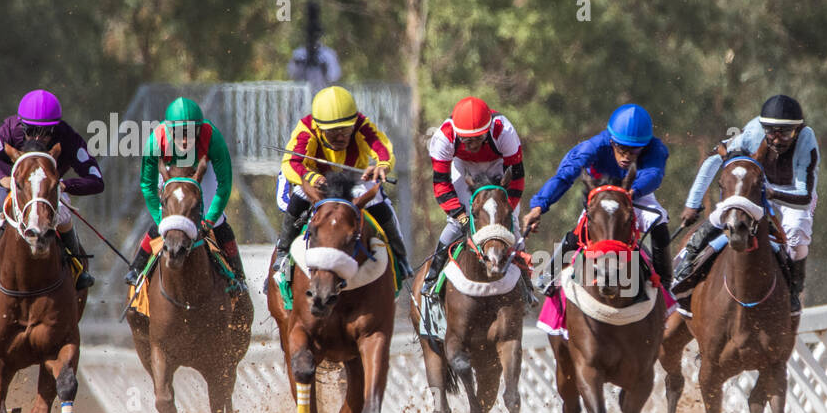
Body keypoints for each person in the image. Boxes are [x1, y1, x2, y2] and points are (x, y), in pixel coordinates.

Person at [672, 94, 819, 315]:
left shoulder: (807, 141)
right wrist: (693, 203)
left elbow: (805, 195)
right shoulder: (751, 132)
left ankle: (793, 289)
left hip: (793, 196)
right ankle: (687, 261)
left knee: (797, 234)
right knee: (726, 211)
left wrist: (771, 193)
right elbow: (715, 157)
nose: (777, 140)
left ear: (797, 130)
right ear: (763, 127)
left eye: (786, 133)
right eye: (771, 132)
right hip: (760, 184)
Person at [0, 89, 101, 289]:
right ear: (21, 124)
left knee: (63, 212)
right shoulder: (9, 130)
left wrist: (64, 185)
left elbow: (96, 179)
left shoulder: (68, 137)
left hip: (46, 191)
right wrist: (1, 179)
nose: (37, 138)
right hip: (10, 186)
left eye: (46, 133)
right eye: (30, 130)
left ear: (55, 128)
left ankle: (77, 266)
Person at [521, 103, 672, 292]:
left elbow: (654, 174)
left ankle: (666, 285)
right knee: (580, 228)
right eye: (622, 148)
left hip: (636, 194)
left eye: (634, 151)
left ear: (644, 146)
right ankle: (549, 276)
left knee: (658, 219)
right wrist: (539, 207)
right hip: (602, 195)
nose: (626, 156)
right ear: (612, 141)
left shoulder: (655, 148)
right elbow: (565, 175)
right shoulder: (595, 145)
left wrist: (631, 192)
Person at [272, 85, 410, 276]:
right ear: (319, 128)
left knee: (378, 200)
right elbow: (291, 162)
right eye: (333, 132)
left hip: (353, 182)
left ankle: (399, 256)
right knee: (298, 196)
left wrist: (382, 166)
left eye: (346, 131)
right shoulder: (306, 128)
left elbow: (382, 148)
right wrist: (312, 176)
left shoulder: (361, 124)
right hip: (318, 182)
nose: (341, 137)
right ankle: (283, 253)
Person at [124, 97, 245, 288]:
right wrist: (161, 219)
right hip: (170, 174)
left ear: (200, 129)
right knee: (169, 219)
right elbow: (147, 185)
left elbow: (224, 185)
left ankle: (239, 276)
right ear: (170, 130)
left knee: (219, 220)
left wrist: (209, 220)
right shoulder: (156, 140)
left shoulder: (212, 137)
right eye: (180, 133)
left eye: (191, 132)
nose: (186, 139)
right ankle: (137, 268)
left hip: (202, 173)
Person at [420, 96, 526, 298]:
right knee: (456, 223)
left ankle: (526, 282)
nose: (472, 144)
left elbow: (517, 178)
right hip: (463, 166)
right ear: (458, 134)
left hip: (497, 164)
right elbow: (441, 186)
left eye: (478, 138)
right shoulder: (444, 137)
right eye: (467, 139)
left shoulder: (504, 131)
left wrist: (506, 210)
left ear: (487, 130)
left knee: (512, 222)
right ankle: (432, 278)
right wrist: (461, 217)